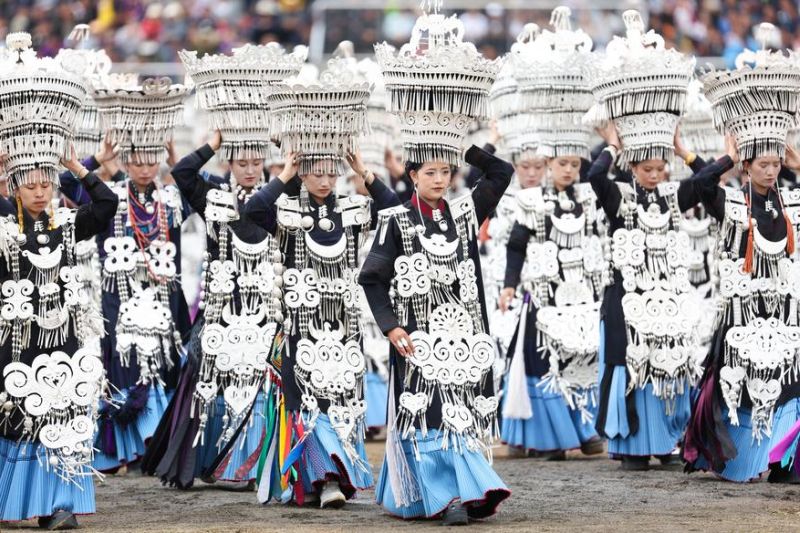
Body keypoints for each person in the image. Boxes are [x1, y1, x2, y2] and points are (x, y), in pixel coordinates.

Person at [359, 145, 513, 525]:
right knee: (428, 411)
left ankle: (462, 490)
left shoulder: (464, 213)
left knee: (460, 411)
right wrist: (391, 325)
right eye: (430, 172)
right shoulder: (396, 220)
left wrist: (461, 145)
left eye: (446, 171)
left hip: (463, 337)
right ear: (412, 175)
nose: (440, 179)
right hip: (416, 337)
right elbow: (372, 278)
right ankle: (450, 495)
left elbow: (501, 173)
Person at [246, 150, 398, 508]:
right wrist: (284, 175)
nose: (326, 180)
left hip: (345, 328)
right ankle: (320, 477)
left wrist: (365, 173)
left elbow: (394, 209)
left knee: (342, 402)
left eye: (332, 173)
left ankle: (336, 476)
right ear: (302, 174)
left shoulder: (352, 210)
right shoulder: (286, 212)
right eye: (316, 173)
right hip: (301, 329)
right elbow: (252, 210)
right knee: (307, 404)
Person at [141, 130, 281, 489]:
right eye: (241, 163)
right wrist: (213, 144)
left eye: (255, 162)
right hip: (221, 304)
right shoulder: (214, 195)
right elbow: (182, 174)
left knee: (258, 384)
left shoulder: (277, 197)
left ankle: (250, 465)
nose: (250, 170)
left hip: (263, 302)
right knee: (207, 382)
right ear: (228, 163)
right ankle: (204, 460)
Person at [0, 151, 118, 529]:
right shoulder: (4, 228)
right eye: (30, 185)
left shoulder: (67, 224)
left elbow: (106, 203)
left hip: (63, 340)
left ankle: (59, 505)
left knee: (61, 415)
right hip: (16, 340)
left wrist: (76, 167)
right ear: (15, 187)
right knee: (17, 418)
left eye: (45, 184)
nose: (39, 192)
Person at [590, 122, 708, 471]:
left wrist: (682, 149)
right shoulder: (620, 199)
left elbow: (706, 181)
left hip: (667, 300)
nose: (655, 175)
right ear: (633, 169)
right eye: (647, 169)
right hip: (625, 299)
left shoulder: (674, 198)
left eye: (660, 168)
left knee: (666, 363)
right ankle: (632, 444)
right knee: (629, 364)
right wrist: (612, 144)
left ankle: (664, 441)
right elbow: (597, 176)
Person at [498, 150, 607, 460]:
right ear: (549, 165)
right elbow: (516, 245)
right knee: (543, 363)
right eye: (562, 164)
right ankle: (551, 439)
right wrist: (509, 284)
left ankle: (586, 433)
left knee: (583, 361)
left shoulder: (589, 198)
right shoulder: (532, 201)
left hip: (584, 298)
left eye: (574, 165)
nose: (569, 170)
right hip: (544, 298)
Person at [91, 140, 192, 473]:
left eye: (153, 161)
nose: (146, 169)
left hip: (162, 298)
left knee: (161, 368)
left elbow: (193, 188)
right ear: (126, 162)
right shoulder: (110, 197)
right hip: (120, 297)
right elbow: (67, 184)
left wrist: (178, 160)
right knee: (125, 368)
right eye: (138, 162)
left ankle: (155, 446)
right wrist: (96, 159)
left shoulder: (171, 199)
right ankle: (126, 450)